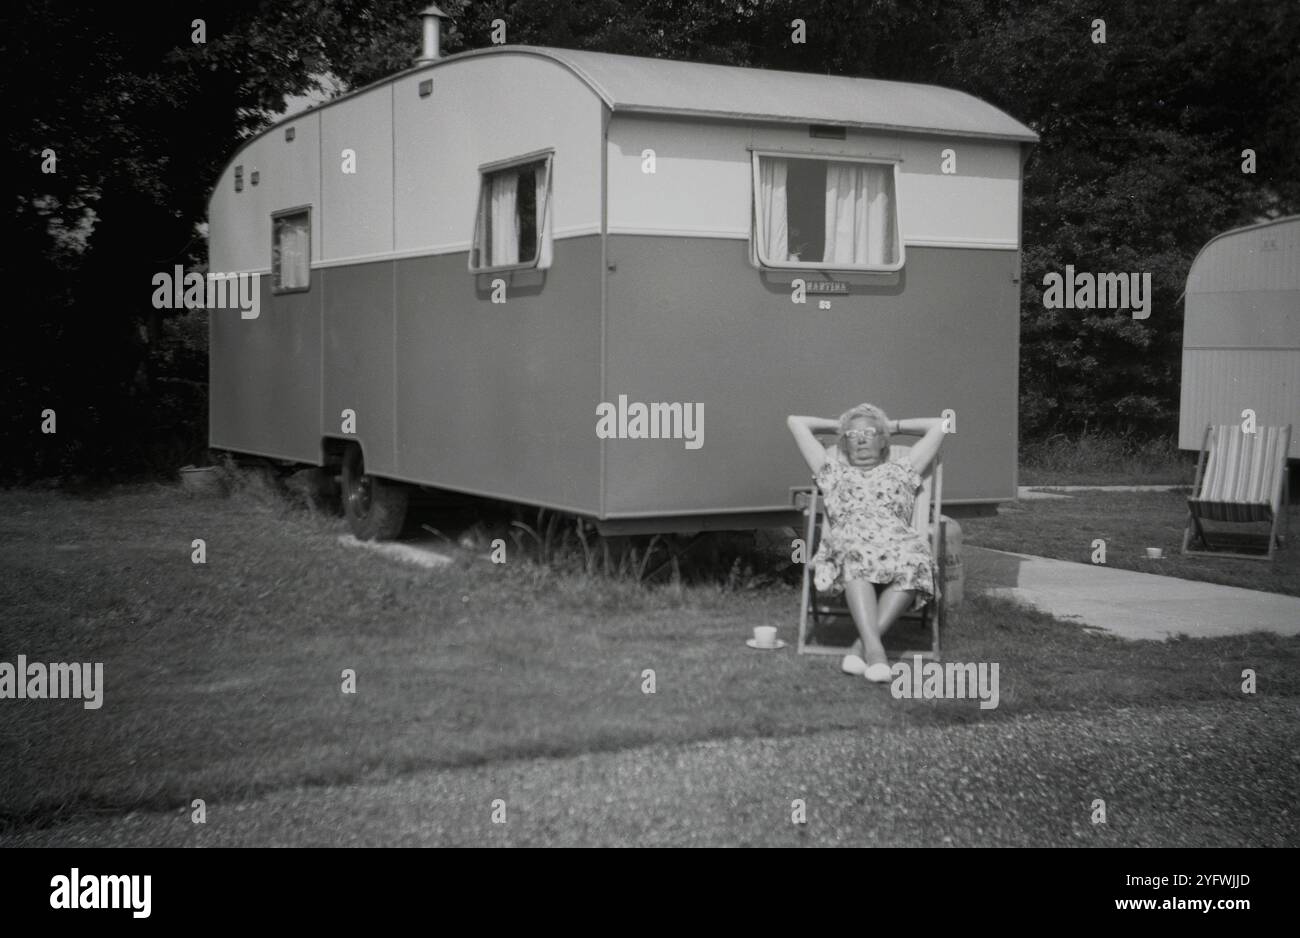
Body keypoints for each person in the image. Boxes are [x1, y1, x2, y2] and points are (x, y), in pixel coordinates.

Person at [786, 404, 945, 682]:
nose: (860, 439)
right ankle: (876, 653)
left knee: (917, 560)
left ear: (884, 441)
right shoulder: (831, 470)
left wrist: (890, 425)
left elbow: (940, 425)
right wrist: (842, 425)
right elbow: (795, 421)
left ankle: (861, 647)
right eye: (853, 435)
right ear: (844, 442)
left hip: (897, 542)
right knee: (854, 554)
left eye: (869, 433)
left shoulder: (903, 469)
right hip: (850, 539)